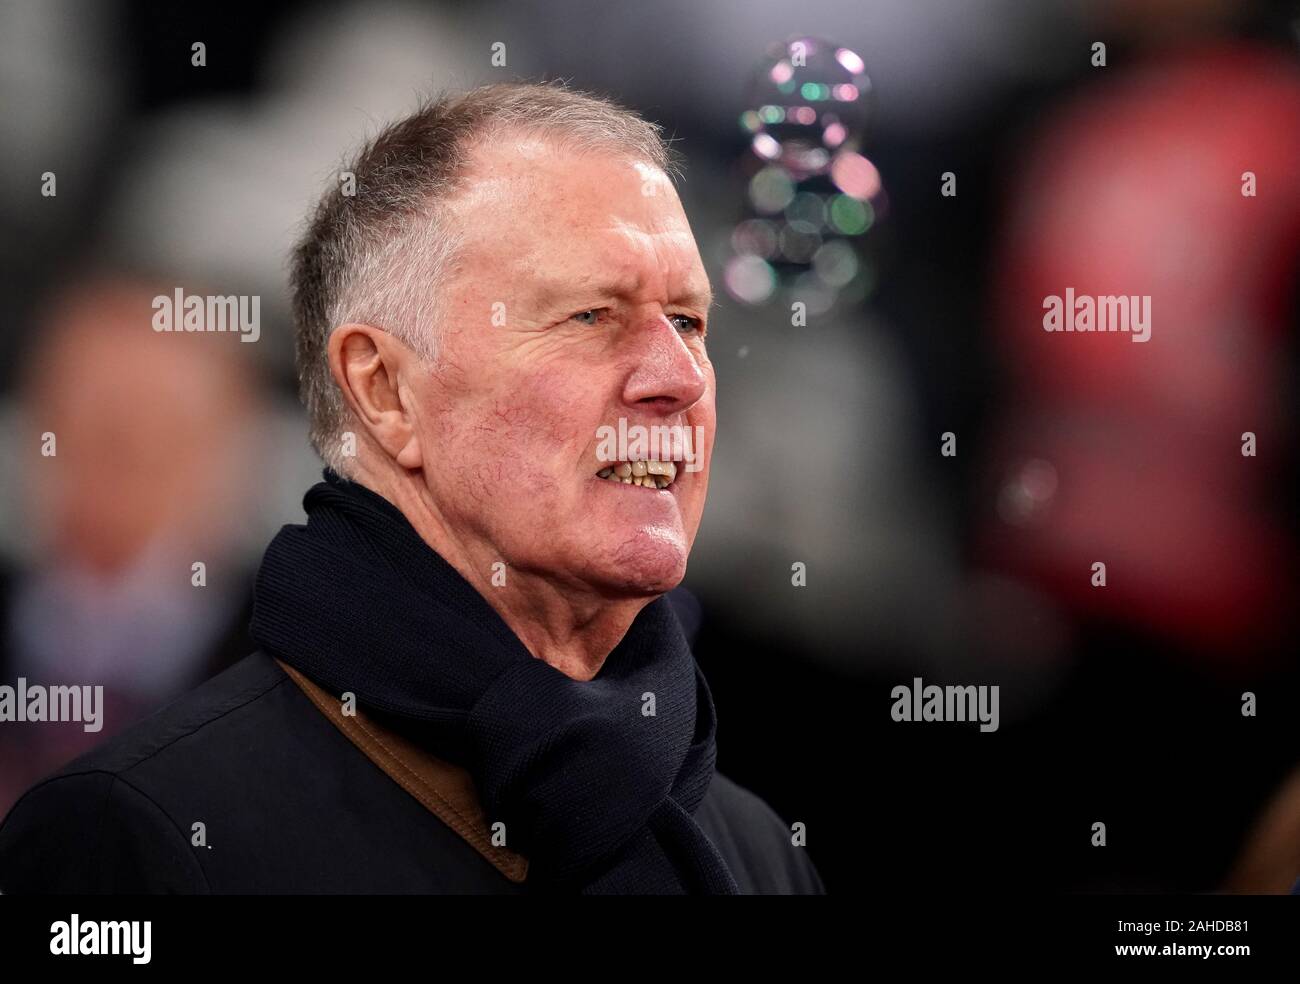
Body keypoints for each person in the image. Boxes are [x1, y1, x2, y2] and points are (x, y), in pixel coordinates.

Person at [0, 82, 825, 894]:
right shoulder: (133, 837)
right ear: (387, 390)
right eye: (591, 317)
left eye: (688, 321)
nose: (679, 377)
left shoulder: (759, 854)